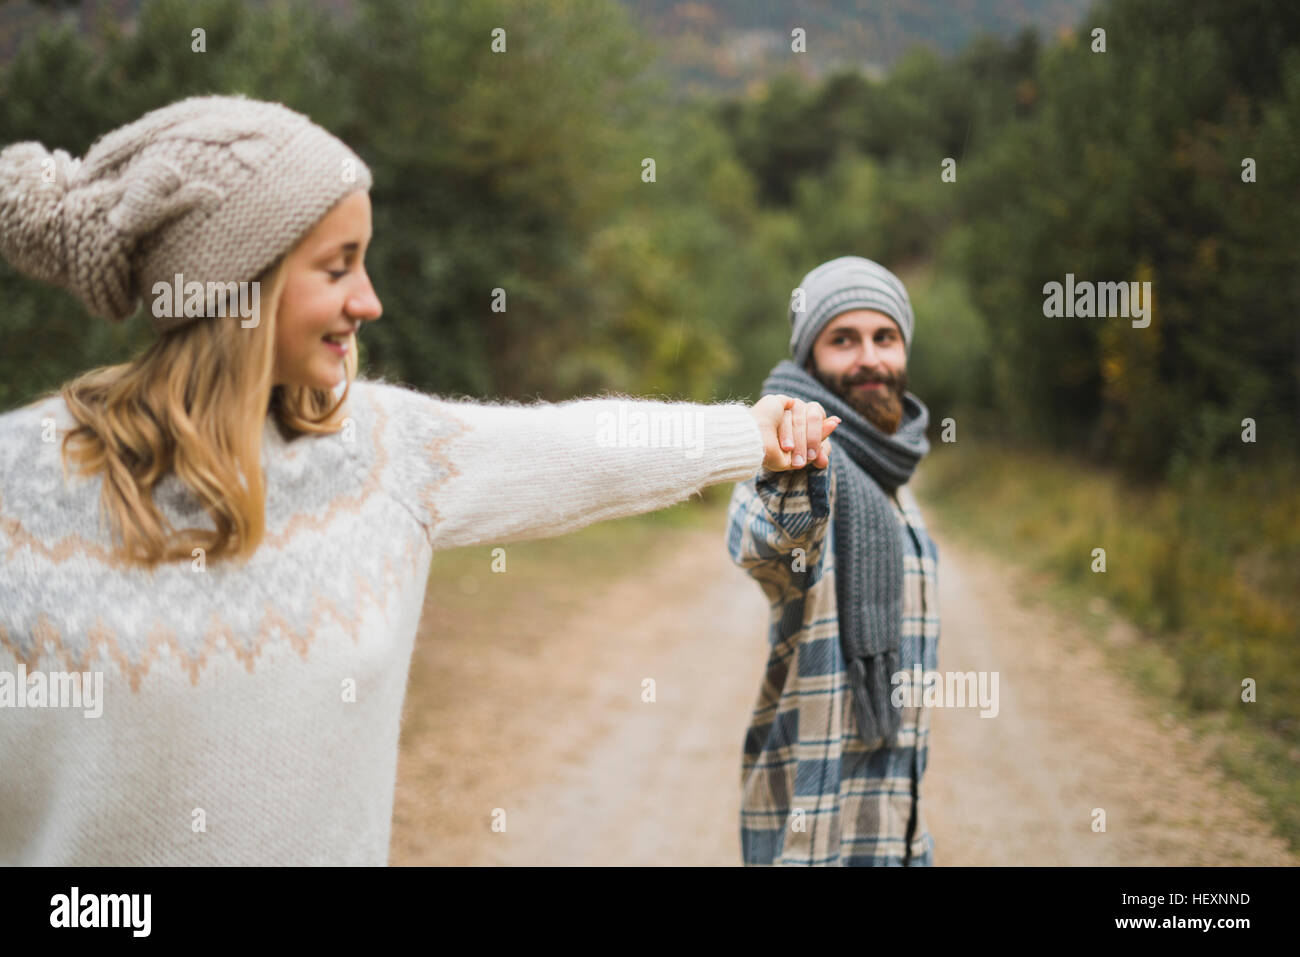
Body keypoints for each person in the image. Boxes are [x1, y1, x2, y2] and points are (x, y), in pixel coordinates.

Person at [0, 94, 836, 866]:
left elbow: (580, 448)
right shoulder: (18, 478)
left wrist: (743, 433)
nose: (369, 299)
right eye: (338, 266)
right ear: (237, 285)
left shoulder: (384, 454)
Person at [726, 256, 940, 865]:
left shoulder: (895, 485)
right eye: (842, 339)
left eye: (885, 337)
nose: (869, 358)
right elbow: (766, 535)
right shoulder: (791, 465)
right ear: (809, 359)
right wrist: (793, 469)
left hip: (896, 838)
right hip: (808, 844)